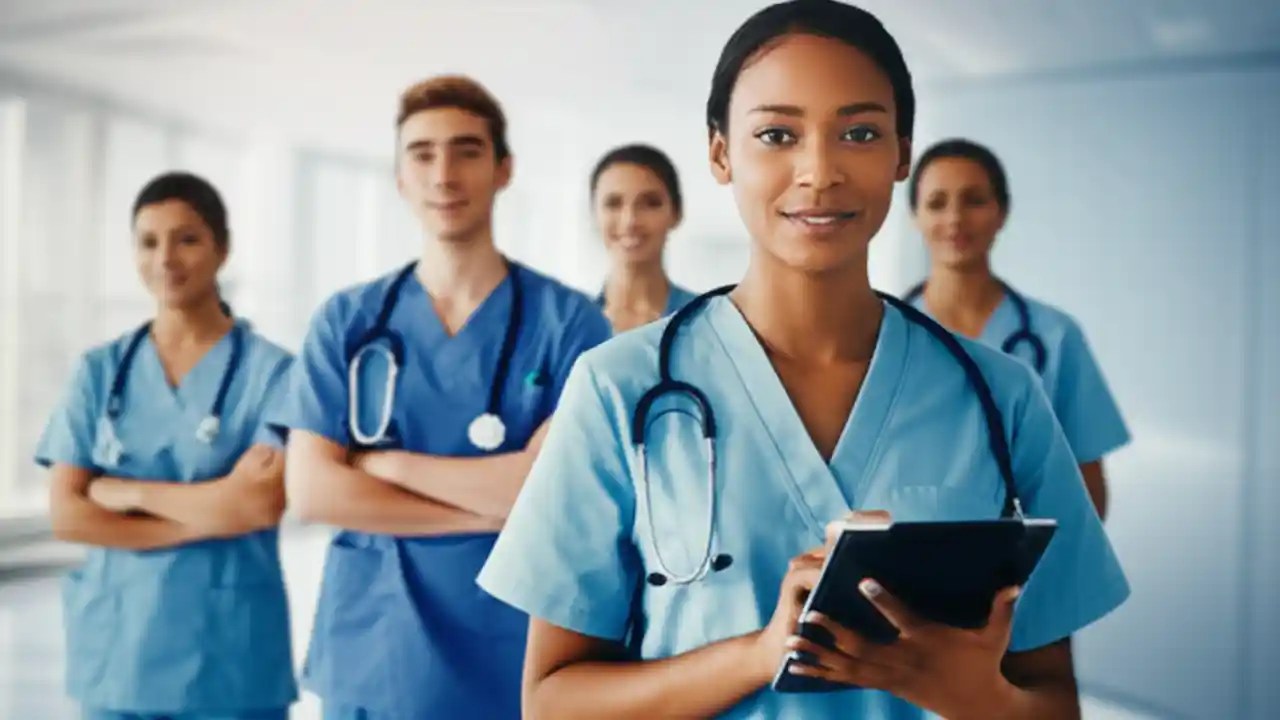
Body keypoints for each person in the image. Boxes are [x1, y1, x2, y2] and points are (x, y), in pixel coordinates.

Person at [476, 2, 1130, 718]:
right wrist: (757, 655)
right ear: (721, 154)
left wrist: (975, 696)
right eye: (777, 135)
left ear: (901, 154)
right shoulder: (617, 388)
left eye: (860, 133)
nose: (819, 172)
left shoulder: (1003, 396)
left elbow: (1053, 701)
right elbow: (552, 703)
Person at [271, 75, 611, 720]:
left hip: (510, 654)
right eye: (422, 154)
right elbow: (313, 493)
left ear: (504, 169)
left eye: (467, 151)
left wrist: (386, 465)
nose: (444, 174)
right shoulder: (349, 322)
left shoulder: (569, 324)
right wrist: (488, 514)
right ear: (399, 177)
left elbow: (543, 494)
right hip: (374, 653)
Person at [38, 172, 298, 720]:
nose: (166, 259)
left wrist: (126, 491)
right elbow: (67, 515)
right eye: (148, 242)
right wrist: (209, 512)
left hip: (230, 660)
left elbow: (259, 504)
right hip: (119, 659)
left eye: (187, 239)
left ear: (222, 248)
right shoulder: (99, 371)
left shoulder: (271, 373)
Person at [904, 138, 1129, 518]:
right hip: (908, 548)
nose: (955, 218)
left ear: (1002, 212)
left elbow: (1086, 485)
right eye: (937, 203)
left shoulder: (1054, 337)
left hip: (1023, 550)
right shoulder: (881, 337)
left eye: (974, 200)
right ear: (915, 216)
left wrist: (1062, 556)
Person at [591, 144, 697, 332]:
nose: (630, 221)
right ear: (594, 214)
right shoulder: (571, 328)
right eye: (613, 204)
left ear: (677, 213)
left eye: (650, 203)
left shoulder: (707, 322)